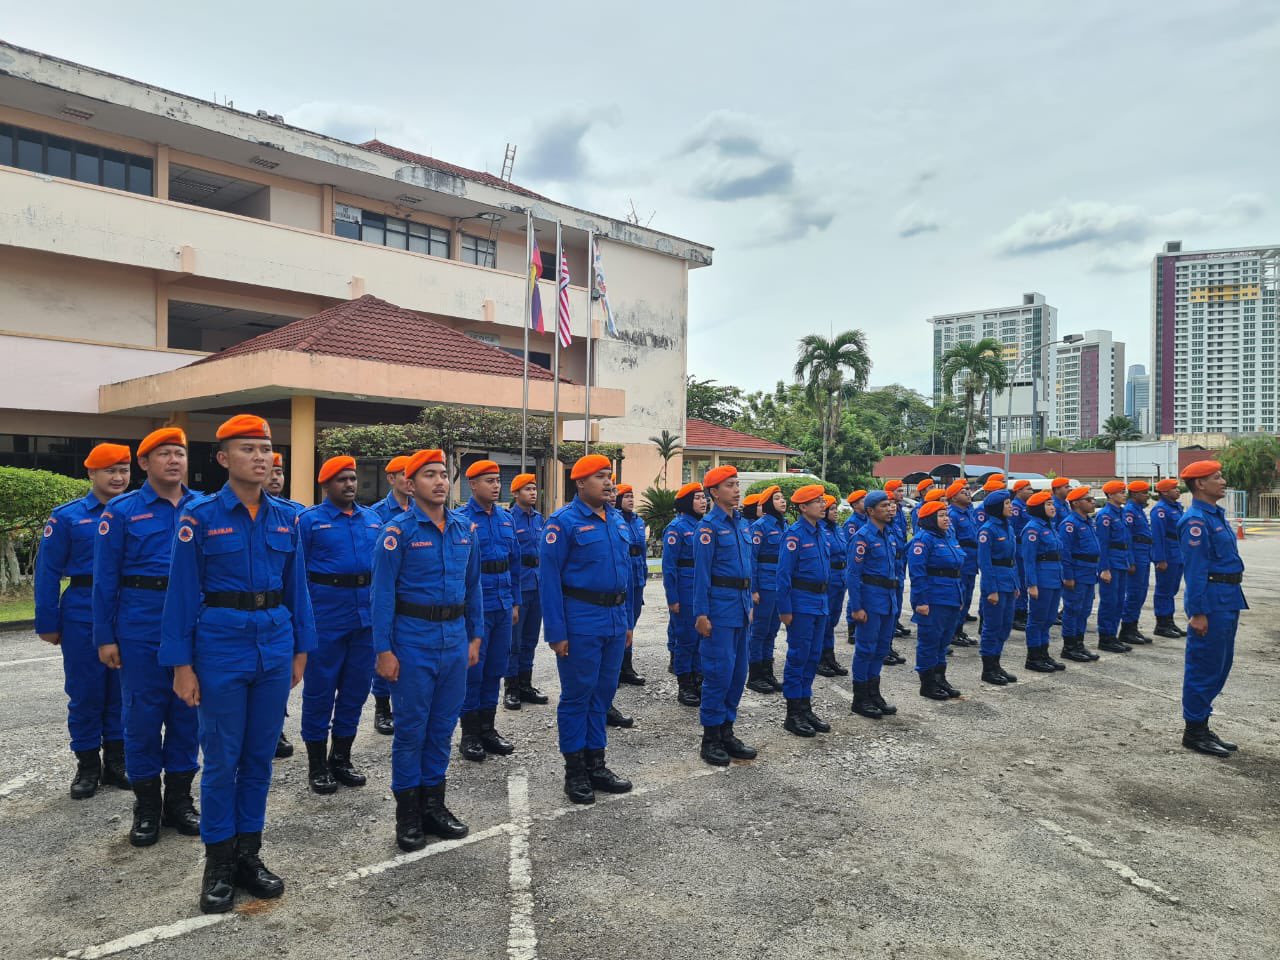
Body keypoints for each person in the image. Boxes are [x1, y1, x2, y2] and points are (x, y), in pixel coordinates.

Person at [159, 414, 316, 914]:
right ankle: (219, 863)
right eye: (248, 449)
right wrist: (182, 666)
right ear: (224, 458)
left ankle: (249, 855)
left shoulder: (288, 517)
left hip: (273, 642)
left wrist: (300, 648)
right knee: (223, 759)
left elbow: (299, 589)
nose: (262, 457)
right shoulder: (200, 517)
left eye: (266, 448)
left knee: (259, 758)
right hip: (221, 644)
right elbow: (181, 596)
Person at [371, 448, 482, 850]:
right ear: (411, 483)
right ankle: (409, 816)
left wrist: (475, 635)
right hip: (412, 640)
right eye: (429, 475)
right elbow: (381, 596)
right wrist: (383, 650)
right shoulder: (397, 533)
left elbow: (474, 587)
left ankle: (434, 806)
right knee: (411, 731)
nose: (439, 481)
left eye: (443, 474)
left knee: (441, 728)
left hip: (453, 638)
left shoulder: (464, 529)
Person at [93, 428, 200, 846]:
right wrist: (105, 636)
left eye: (180, 453)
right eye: (164, 454)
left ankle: (179, 802)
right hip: (141, 622)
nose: (174, 461)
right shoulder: (122, 511)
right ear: (144, 463)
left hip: (192, 622)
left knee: (186, 713)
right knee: (141, 714)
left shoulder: (204, 507)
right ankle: (147, 808)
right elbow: (104, 579)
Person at [37, 442, 131, 799]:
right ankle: (88, 765)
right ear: (91, 473)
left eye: (123, 470)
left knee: (123, 689)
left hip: (128, 608)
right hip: (82, 609)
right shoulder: (68, 517)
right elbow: (47, 572)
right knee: (86, 691)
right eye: (110, 471)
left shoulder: (136, 512)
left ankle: (117, 762)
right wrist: (48, 620)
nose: (118, 477)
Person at [540, 454, 635, 803]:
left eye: (610, 476)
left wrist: (626, 623)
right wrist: (556, 632)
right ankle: (575, 771)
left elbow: (626, 577)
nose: (609, 482)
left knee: (603, 694)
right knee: (578, 695)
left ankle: (597, 763)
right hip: (581, 619)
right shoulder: (562, 523)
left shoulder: (617, 521)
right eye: (600, 477)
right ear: (580, 483)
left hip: (613, 619)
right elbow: (548, 580)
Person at [297, 456, 382, 795]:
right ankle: (317, 765)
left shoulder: (372, 520)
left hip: (365, 620)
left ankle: (341, 758)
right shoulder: (309, 522)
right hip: (325, 619)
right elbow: (296, 575)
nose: (349, 484)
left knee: (355, 691)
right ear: (325, 485)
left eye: (352, 478)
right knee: (319, 692)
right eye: (341, 480)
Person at [1176, 460, 1245, 757]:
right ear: (1200, 484)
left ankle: (1202, 724)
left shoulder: (1216, 516)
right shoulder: (1195, 521)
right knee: (1203, 666)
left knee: (1220, 665)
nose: (1223, 480)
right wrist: (1198, 612)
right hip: (1211, 601)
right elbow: (1194, 571)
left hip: (1228, 597)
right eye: (1216, 477)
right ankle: (1194, 731)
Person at [692, 465, 758, 766]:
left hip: (741, 607)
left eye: (737, 483)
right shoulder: (708, 527)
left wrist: (751, 600)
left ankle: (727, 731)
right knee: (718, 673)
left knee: (737, 673)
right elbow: (701, 576)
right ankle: (711, 737)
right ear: (714, 492)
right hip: (718, 609)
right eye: (730, 485)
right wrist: (701, 614)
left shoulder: (742, 524)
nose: (736, 488)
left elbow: (748, 568)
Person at [456, 461, 521, 761]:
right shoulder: (460, 520)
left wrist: (516, 601)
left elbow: (515, 565)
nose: (496, 486)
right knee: (474, 671)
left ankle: (488, 729)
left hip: (503, 604)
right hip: (476, 608)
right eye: (489, 481)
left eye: (497, 480)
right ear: (472, 484)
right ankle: (469, 734)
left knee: (496, 669)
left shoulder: (506, 519)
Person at [774, 484, 831, 737]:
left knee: (813, 656)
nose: (823, 504)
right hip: (801, 603)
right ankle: (793, 713)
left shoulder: (821, 532)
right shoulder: (794, 535)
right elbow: (783, 575)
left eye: (822, 500)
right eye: (817, 501)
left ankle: (805, 707)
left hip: (820, 602)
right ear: (803, 507)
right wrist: (784, 608)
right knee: (798, 657)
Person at [845, 491, 901, 718]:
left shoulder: (888, 534)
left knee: (881, 649)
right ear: (870, 511)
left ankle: (873, 692)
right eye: (884, 505)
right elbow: (853, 575)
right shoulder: (863, 537)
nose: (890, 509)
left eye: (890, 504)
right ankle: (860, 698)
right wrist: (856, 607)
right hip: (870, 600)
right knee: (866, 649)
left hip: (888, 599)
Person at [370, 454, 412, 735]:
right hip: (388, 591)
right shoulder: (377, 513)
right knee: (384, 647)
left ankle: (404, 705)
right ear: (390, 479)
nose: (409, 481)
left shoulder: (422, 509)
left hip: (412, 594)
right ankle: (382, 706)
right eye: (403, 475)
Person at [907, 501, 965, 701]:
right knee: (929, 642)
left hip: (951, 596)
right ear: (931, 519)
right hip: (933, 598)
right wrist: (920, 601)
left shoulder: (948, 537)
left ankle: (940, 677)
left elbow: (956, 569)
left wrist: (960, 597)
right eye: (941, 515)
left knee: (943, 641)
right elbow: (917, 574)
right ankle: (928, 682)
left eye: (946, 515)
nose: (946, 518)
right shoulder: (923, 540)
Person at [265, 450, 301, 760]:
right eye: (271, 472)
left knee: (277, 676)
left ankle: (274, 727)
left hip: (280, 612)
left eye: (280, 472)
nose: (276, 477)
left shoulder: (294, 515)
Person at [505, 473, 549, 711]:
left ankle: (526, 683)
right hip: (519, 584)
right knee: (514, 641)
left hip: (537, 584)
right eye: (527, 489)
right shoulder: (509, 519)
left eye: (534, 488)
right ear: (515, 493)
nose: (533, 492)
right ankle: (511, 687)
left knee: (531, 639)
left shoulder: (539, 519)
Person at [662, 482, 706, 707]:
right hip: (685, 591)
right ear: (688, 502)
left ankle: (699, 679)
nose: (703, 501)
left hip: (702, 591)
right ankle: (685, 685)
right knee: (686, 639)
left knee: (701, 638)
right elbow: (668, 567)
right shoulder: (676, 528)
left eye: (703, 497)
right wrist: (673, 598)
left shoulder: (705, 525)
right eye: (697, 498)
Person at [1020, 491, 1071, 669]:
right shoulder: (1032, 529)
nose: (1052, 507)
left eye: (1052, 504)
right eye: (1048, 504)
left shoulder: (1050, 527)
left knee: (1049, 618)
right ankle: (1033, 657)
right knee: (1037, 619)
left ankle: (1044, 653)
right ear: (1039, 508)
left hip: (1054, 577)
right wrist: (1031, 584)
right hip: (1041, 579)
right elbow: (1028, 559)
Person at [976, 489, 1020, 685]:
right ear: (997, 508)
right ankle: (988, 668)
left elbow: (1013, 559)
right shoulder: (987, 530)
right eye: (1007, 504)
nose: (1011, 507)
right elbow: (984, 563)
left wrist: (1016, 584)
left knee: (1004, 626)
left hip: (1009, 581)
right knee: (992, 627)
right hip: (995, 583)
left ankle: (997, 663)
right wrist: (991, 589)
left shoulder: (1008, 528)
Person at [747, 485, 787, 694]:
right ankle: (754, 675)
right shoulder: (760, 526)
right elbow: (752, 559)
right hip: (764, 584)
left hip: (779, 584)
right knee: (759, 630)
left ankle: (767, 671)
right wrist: (753, 589)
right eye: (778, 498)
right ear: (770, 503)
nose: (783, 501)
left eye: (783, 498)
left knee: (772, 630)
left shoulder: (785, 525)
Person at [1059, 487, 1102, 662]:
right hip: (1077, 572)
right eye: (1088, 499)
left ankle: (1079, 644)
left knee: (1084, 611)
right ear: (1076, 503)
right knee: (1072, 610)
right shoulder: (1069, 524)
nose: (1093, 502)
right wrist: (1068, 576)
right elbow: (1065, 553)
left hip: (1089, 571)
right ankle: (1069, 647)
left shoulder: (1088, 522)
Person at [615, 484, 649, 687]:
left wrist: (643, 577)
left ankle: (626, 666)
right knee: (622, 621)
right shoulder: (615, 520)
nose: (630, 500)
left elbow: (643, 552)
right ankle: (617, 666)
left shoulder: (638, 521)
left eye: (632, 496)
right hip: (623, 574)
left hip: (637, 575)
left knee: (632, 621)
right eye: (626, 496)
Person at [1095, 480, 1134, 654]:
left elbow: (1127, 540)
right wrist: (1104, 568)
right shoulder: (1105, 515)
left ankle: (1113, 635)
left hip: (1122, 560)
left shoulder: (1122, 513)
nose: (1124, 494)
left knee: (1119, 601)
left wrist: (1130, 561)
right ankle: (1105, 637)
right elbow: (1102, 544)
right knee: (1109, 602)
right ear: (1110, 495)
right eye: (1120, 492)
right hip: (1111, 562)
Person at [817, 495, 851, 677]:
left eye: (836, 509)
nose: (835, 512)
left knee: (833, 621)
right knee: (825, 621)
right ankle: (820, 658)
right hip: (828, 578)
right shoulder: (820, 530)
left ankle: (829, 656)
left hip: (840, 579)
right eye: (832, 509)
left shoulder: (838, 530)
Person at [1149, 478, 1187, 639]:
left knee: (1172, 589)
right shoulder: (1160, 510)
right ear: (1164, 492)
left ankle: (1169, 621)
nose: (1178, 490)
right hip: (1168, 554)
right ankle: (1162, 623)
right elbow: (1158, 536)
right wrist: (1160, 559)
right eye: (1174, 488)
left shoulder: (1176, 507)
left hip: (1178, 552)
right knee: (1164, 589)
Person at [946, 480, 980, 648]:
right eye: (962, 492)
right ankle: (953, 632)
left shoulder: (967, 512)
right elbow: (953, 540)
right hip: (963, 559)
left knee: (967, 598)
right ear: (953, 498)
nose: (967, 493)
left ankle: (958, 630)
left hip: (972, 559)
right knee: (959, 597)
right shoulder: (952, 514)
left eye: (967, 491)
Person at [1121, 481, 1155, 645]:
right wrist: (1130, 560)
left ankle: (1133, 627)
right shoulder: (1129, 511)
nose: (1146, 495)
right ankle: (1127, 629)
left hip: (1144, 554)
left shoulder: (1138, 510)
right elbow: (1127, 537)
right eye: (1143, 493)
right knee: (1134, 593)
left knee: (1141, 593)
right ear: (1134, 494)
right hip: (1136, 555)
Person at [884, 479, 911, 641]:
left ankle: (895, 621)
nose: (891, 507)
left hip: (900, 559)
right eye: (898, 491)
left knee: (899, 593)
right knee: (891, 596)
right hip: (892, 561)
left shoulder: (899, 512)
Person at [1009, 480, 1034, 631]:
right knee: (1019, 582)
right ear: (1018, 491)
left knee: (1025, 581)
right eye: (1028, 489)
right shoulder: (1015, 507)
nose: (1031, 492)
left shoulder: (1026, 507)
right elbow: (1012, 528)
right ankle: (1017, 614)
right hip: (1018, 547)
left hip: (1024, 547)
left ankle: (1023, 611)